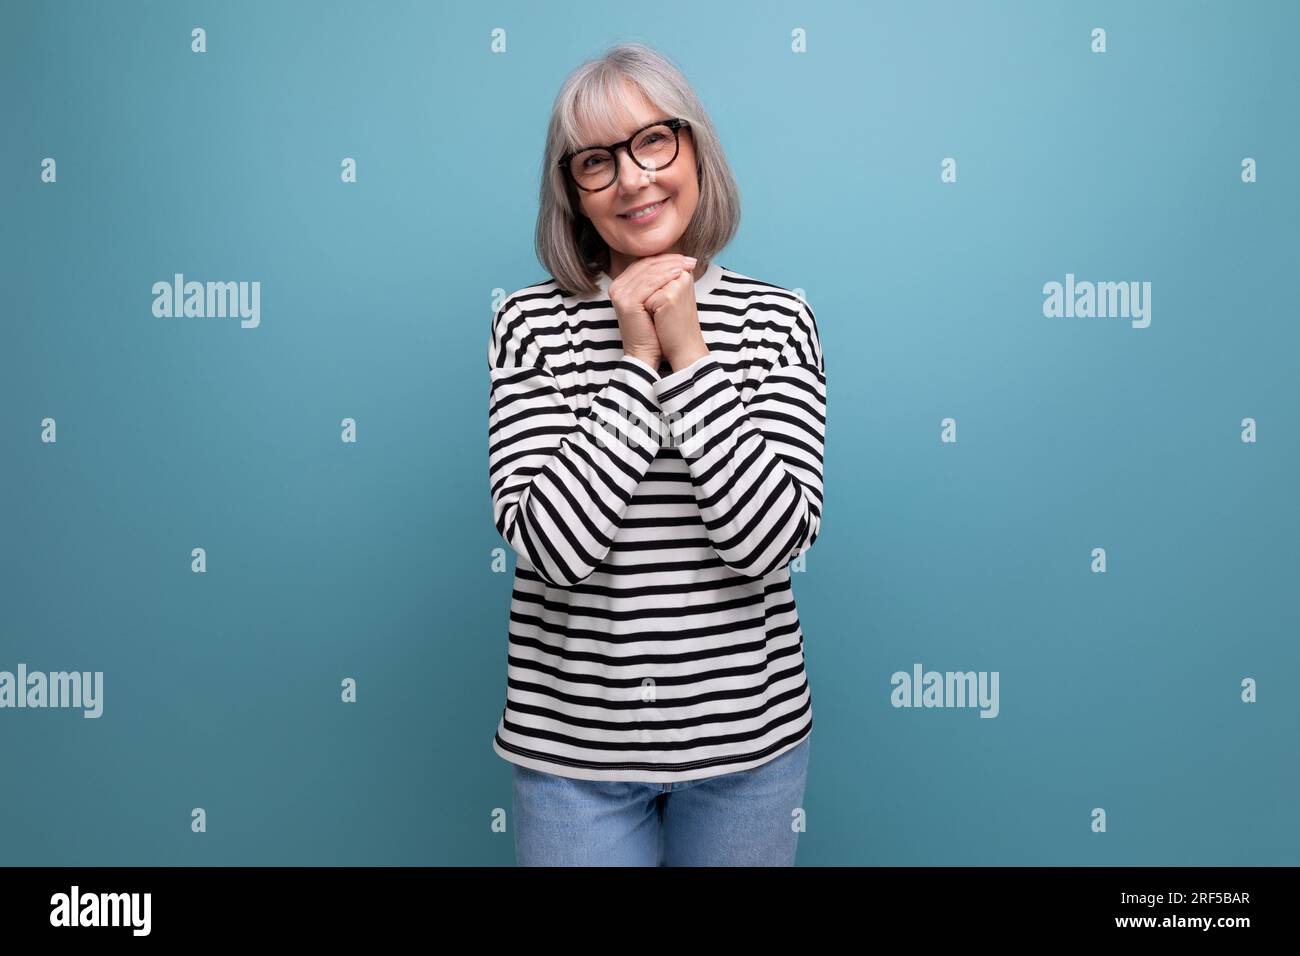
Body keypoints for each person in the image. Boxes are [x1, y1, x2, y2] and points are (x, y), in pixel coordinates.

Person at [487, 42, 827, 866]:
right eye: (597, 162)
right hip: (573, 755)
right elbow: (553, 550)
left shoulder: (780, 319)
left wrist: (692, 354)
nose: (634, 179)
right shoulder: (528, 326)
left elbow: (770, 542)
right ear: (573, 193)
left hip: (750, 745)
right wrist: (638, 364)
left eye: (654, 142)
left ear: (696, 148)